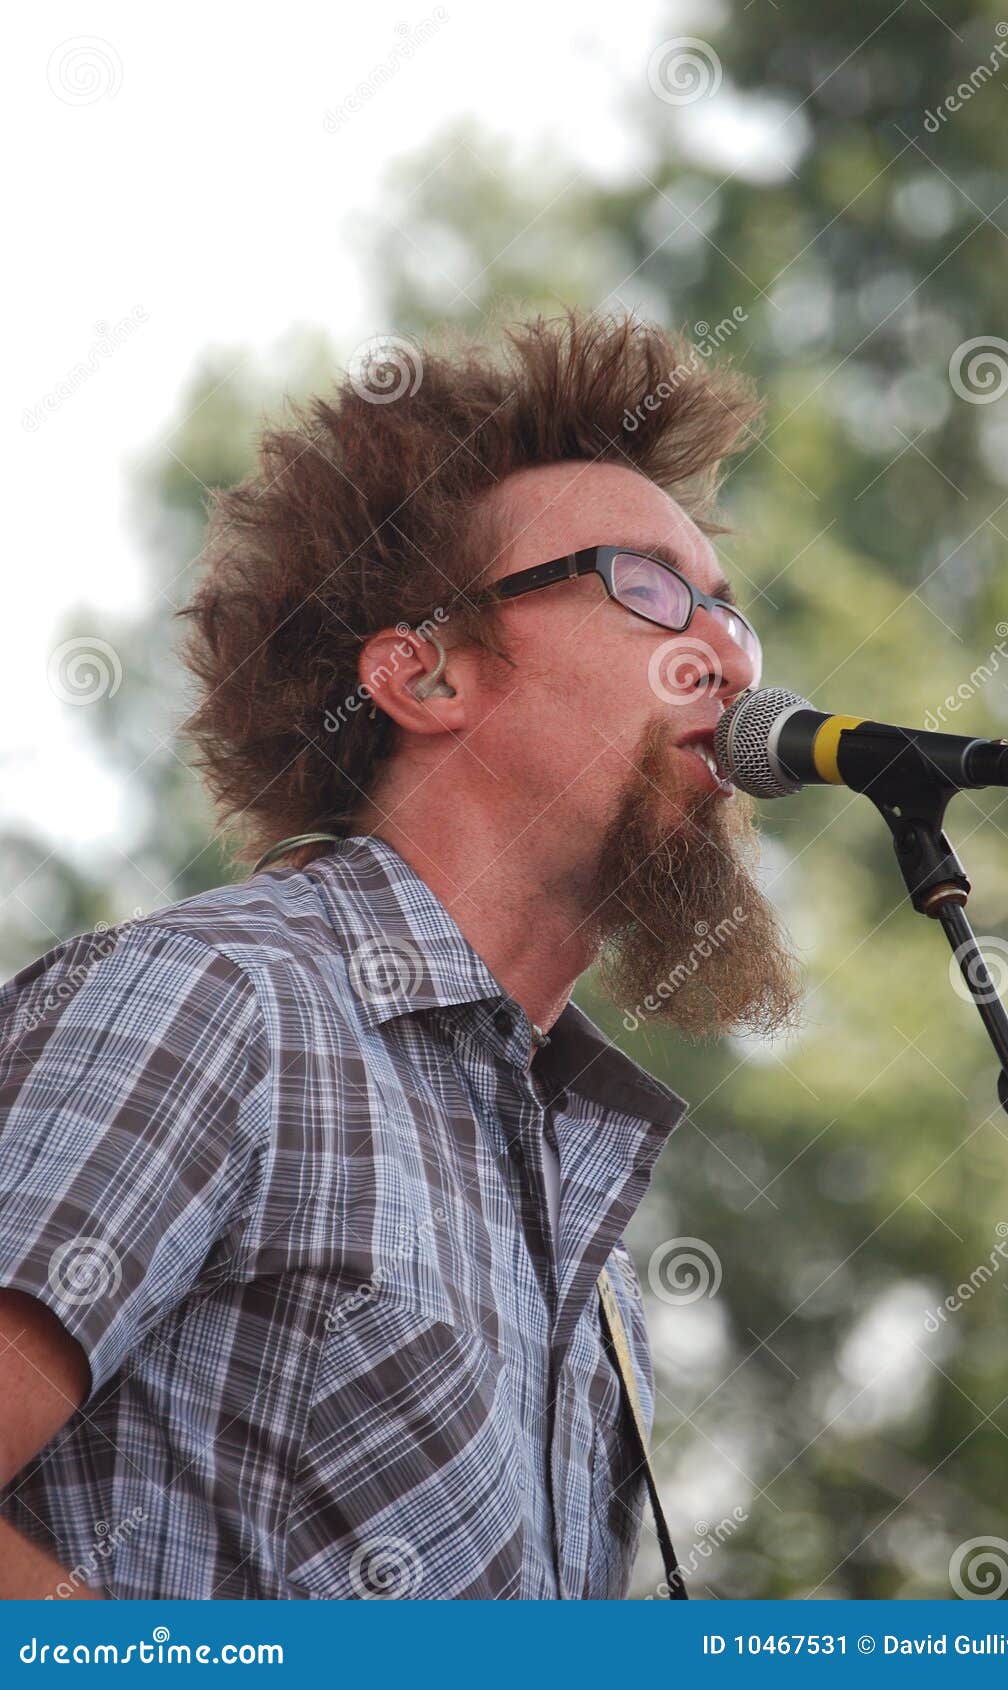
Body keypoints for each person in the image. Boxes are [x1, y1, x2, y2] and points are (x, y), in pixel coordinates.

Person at [0, 308, 800, 1599]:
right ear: (425, 678)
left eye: (729, 610)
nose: (723, 651)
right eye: (648, 588)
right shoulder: (219, 1005)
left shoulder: (601, 1277)